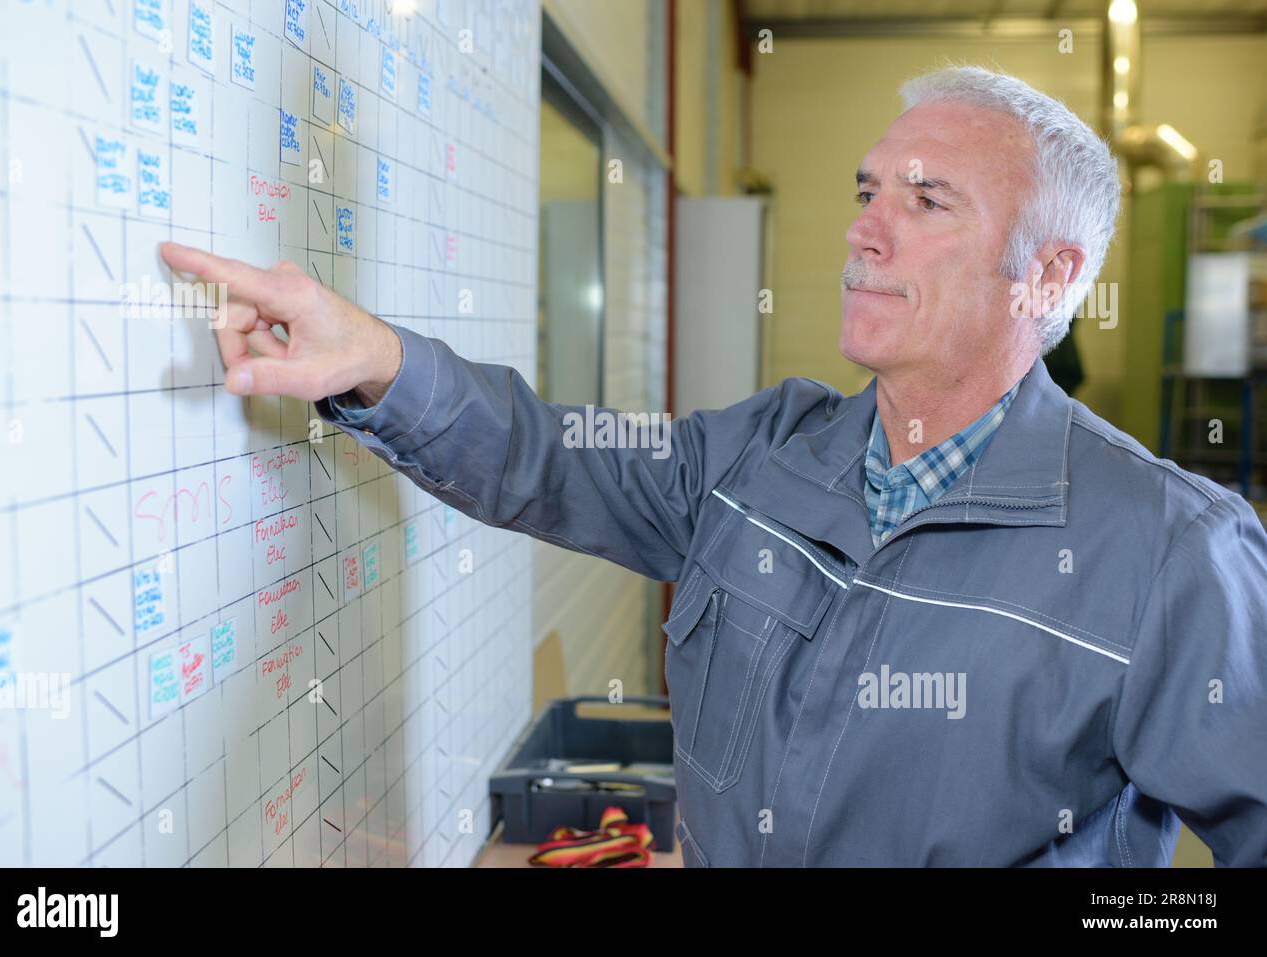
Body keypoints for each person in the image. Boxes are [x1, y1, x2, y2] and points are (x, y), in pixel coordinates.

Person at [159, 65, 1267, 867]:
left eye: (925, 203)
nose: (864, 232)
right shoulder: (765, 454)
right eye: (866, 192)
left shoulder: (1170, 555)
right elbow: (553, 459)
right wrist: (375, 362)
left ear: (1047, 275)